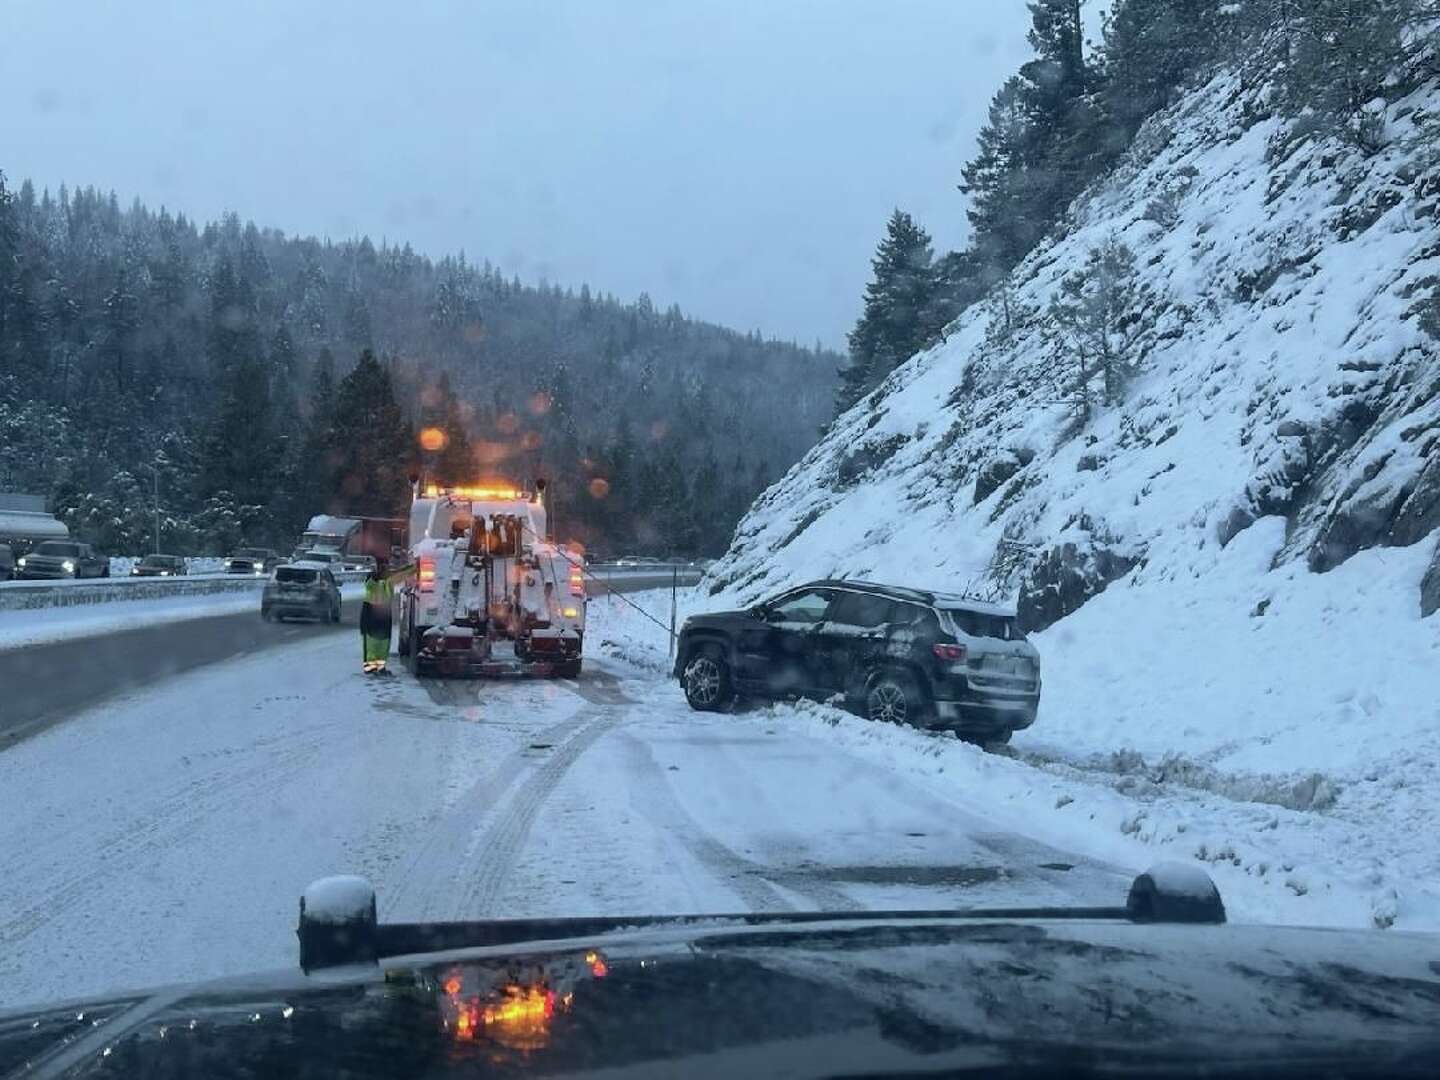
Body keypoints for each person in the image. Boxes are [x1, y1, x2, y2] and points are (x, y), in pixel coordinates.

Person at [360, 557, 410, 674]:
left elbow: (400, 576)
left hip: (384, 615)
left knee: (384, 643)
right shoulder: (372, 579)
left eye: (386, 566)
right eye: (383, 567)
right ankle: (371, 668)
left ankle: (380, 667)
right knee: (372, 643)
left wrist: (412, 568)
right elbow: (370, 585)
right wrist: (376, 575)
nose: (385, 569)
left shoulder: (388, 581)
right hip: (371, 615)